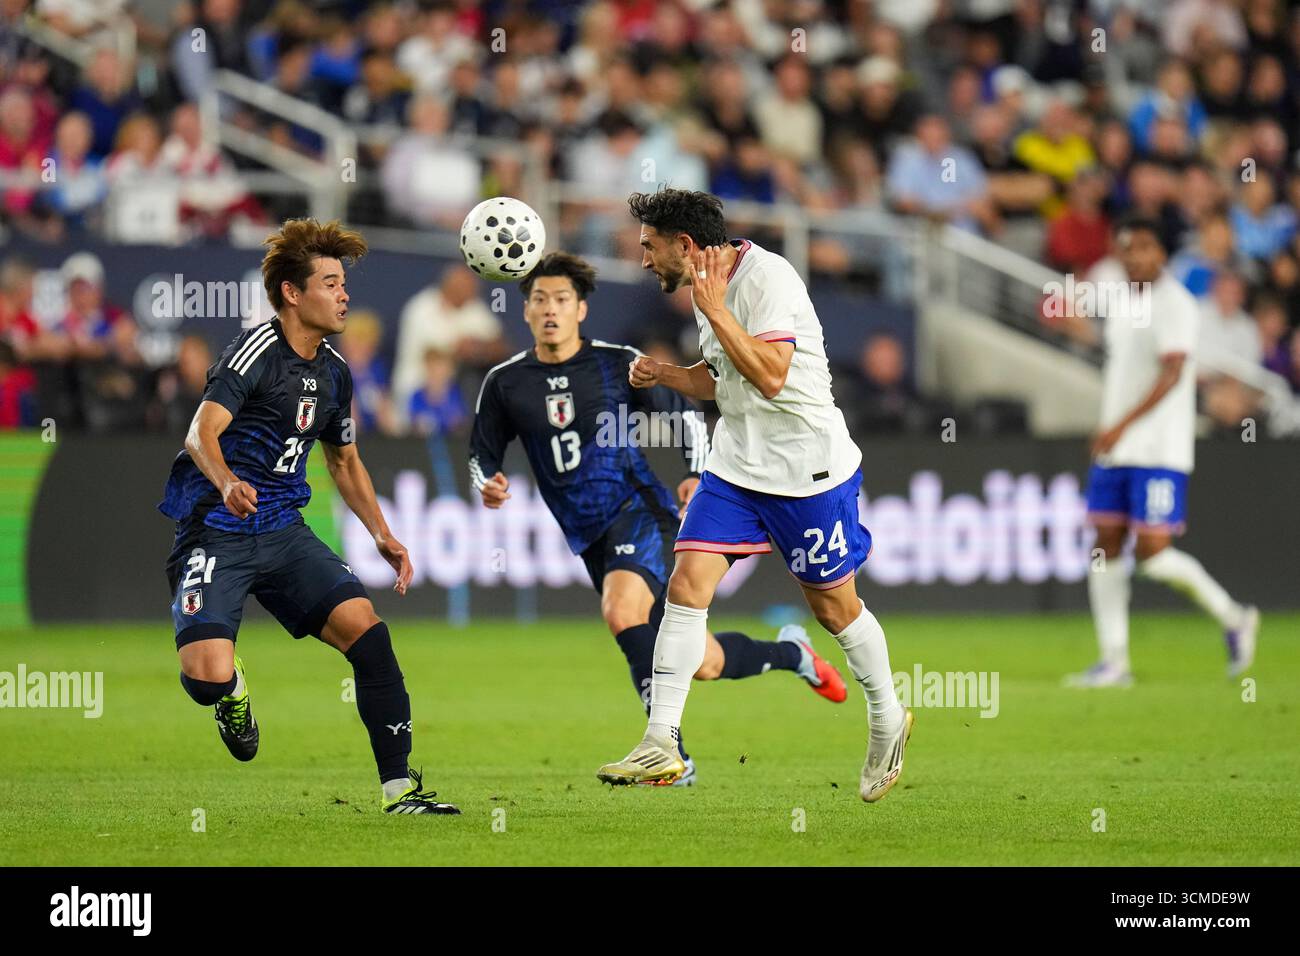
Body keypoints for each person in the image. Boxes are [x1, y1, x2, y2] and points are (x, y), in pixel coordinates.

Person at [470, 251, 846, 786]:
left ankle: (672, 755)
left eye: (560, 299)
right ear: (524, 311)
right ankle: (792, 654)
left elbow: (685, 415)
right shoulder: (506, 382)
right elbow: (480, 454)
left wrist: (697, 470)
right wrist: (486, 482)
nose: (549, 309)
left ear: (581, 309)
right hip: (587, 534)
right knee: (702, 661)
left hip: (640, 510)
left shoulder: (615, 362)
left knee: (621, 611)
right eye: (538, 300)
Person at [597, 189, 910, 802]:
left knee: (833, 610)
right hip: (738, 465)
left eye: (648, 248)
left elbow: (769, 376)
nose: (642, 261)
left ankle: (887, 717)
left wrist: (714, 310)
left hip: (807, 469)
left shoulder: (767, 279)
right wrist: (665, 375)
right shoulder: (708, 286)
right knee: (686, 584)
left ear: (684, 246)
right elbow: (722, 382)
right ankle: (661, 741)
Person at [158, 219, 459, 815]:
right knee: (206, 678)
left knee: (370, 635)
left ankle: (400, 790)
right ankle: (233, 692)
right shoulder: (255, 353)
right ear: (293, 294)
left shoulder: (335, 372)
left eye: (343, 282)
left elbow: (344, 460)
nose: (345, 294)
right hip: (216, 532)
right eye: (330, 282)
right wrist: (225, 482)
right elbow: (201, 433)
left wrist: (383, 534)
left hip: (283, 532)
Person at [1067, 217, 1259, 688]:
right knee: (1104, 544)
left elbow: (1173, 373)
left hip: (1158, 448)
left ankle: (1234, 615)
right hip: (1117, 448)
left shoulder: (1175, 304)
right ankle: (1114, 661)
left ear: (1162, 254)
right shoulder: (1122, 304)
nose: (1136, 256)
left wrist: (1120, 426)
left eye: (1146, 247)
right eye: (1128, 248)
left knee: (1153, 552)